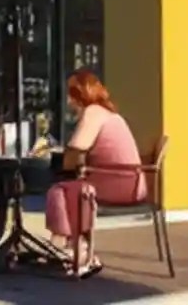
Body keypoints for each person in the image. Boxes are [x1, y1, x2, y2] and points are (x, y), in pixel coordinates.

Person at [45, 69, 145, 278]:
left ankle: (74, 249)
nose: (68, 100)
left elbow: (76, 150)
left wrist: (59, 159)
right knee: (74, 187)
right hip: (130, 179)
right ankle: (75, 248)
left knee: (61, 189)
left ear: (78, 95)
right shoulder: (108, 113)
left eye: (70, 94)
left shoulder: (93, 113)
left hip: (119, 181)